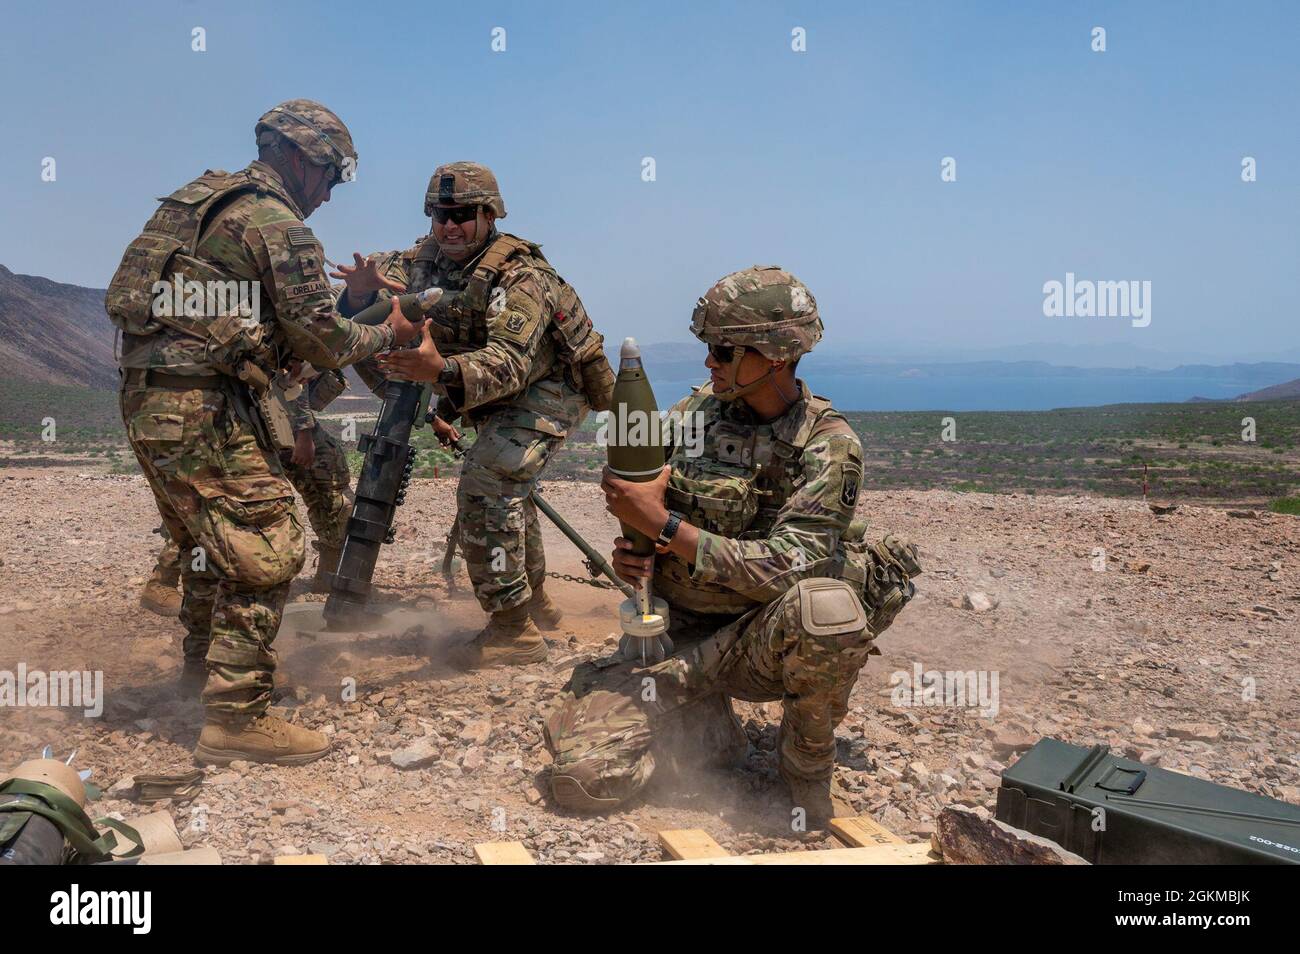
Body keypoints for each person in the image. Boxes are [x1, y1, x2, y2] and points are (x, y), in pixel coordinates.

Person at [542, 266, 921, 826]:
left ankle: (804, 775)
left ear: (773, 356)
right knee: (583, 780)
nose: (709, 362)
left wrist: (668, 529)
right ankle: (706, 733)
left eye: (723, 350)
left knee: (826, 608)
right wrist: (638, 552)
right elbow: (646, 494)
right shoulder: (695, 415)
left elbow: (789, 569)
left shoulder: (828, 445)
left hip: (755, 643)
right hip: (675, 636)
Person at [106, 99, 423, 765]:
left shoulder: (197, 203)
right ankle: (236, 715)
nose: (330, 196)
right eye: (330, 178)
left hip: (148, 398)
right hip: (203, 404)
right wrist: (387, 331)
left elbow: (264, 323)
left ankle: (203, 676)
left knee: (205, 544)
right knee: (269, 542)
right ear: (302, 158)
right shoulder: (277, 222)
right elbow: (322, 338)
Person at [335, 162, 613, 669]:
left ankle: (512, 631)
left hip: (547, 389)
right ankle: (536, 605)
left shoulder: (521, 276)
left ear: (489, 216)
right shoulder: (418, 259)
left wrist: (439, 369)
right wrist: (357, 293)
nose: (450, 226)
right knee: (512, 495)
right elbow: (362, 309)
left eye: (462, 215)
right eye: (441, 215)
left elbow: (509, 363)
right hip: (477, 387)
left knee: (489, 479)